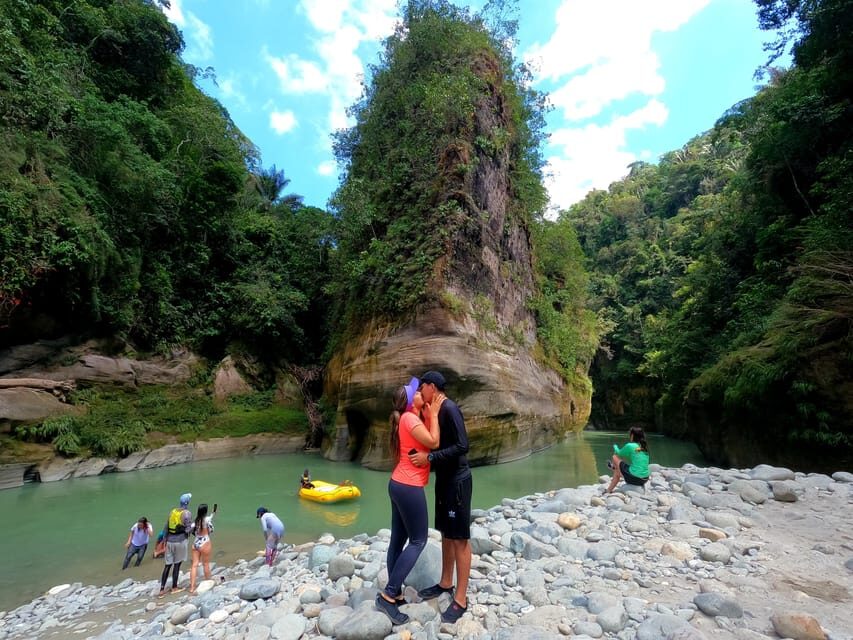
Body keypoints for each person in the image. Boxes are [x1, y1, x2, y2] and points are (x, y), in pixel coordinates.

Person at [375, 377, 440, 624]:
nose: (420, 393)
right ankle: (389, 595)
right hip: (409, 486)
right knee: (418, 540)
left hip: (398, 483)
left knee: (398, 540)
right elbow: (433, 442)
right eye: (417, 392)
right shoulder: (409, 418)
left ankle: (397, 593)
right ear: (410, 400)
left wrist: (425, 410)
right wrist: (433, 414)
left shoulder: (408, 418)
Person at [408, 370, 472, 624]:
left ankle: (461, 598)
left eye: (422, 387)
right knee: (446, 532)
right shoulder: (434, 411)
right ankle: (446, 582)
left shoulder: (450, 409)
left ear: (432, 387)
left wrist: (431, 459)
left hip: (458, 480)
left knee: (459, 538)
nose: (419, 392)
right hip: (444, 480)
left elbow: (462, 446)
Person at [158, 492, 192, 597]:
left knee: (167, 565)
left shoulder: (172, 511)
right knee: (177, 565)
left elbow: (166, 526)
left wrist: (164, 540)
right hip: (180, 541)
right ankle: (174, 587)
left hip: (169, 541)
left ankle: (162, 589)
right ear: (187, 502)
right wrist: (193, 527)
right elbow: (187, 530)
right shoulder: (187, 513)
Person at [606, 425, 650, 493]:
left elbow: (619, 453)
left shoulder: (630, 445)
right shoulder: (644, 448)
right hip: (645, 479)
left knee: (614, 457)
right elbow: (635, 456)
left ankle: (614, 468)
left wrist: (615, 446)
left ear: (632, 435)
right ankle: (609, 490)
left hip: (635, 478)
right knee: (618, 471)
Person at [188, 503, 218, 594]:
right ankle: (208, 582)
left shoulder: (195, 522)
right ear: (205, 511)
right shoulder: (206, 520)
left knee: (194, 565)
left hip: (196, 543)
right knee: (206, 564)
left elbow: (190, 529)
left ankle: (192, 587)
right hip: (205, 542)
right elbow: (211, 517)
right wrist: (214, 512)